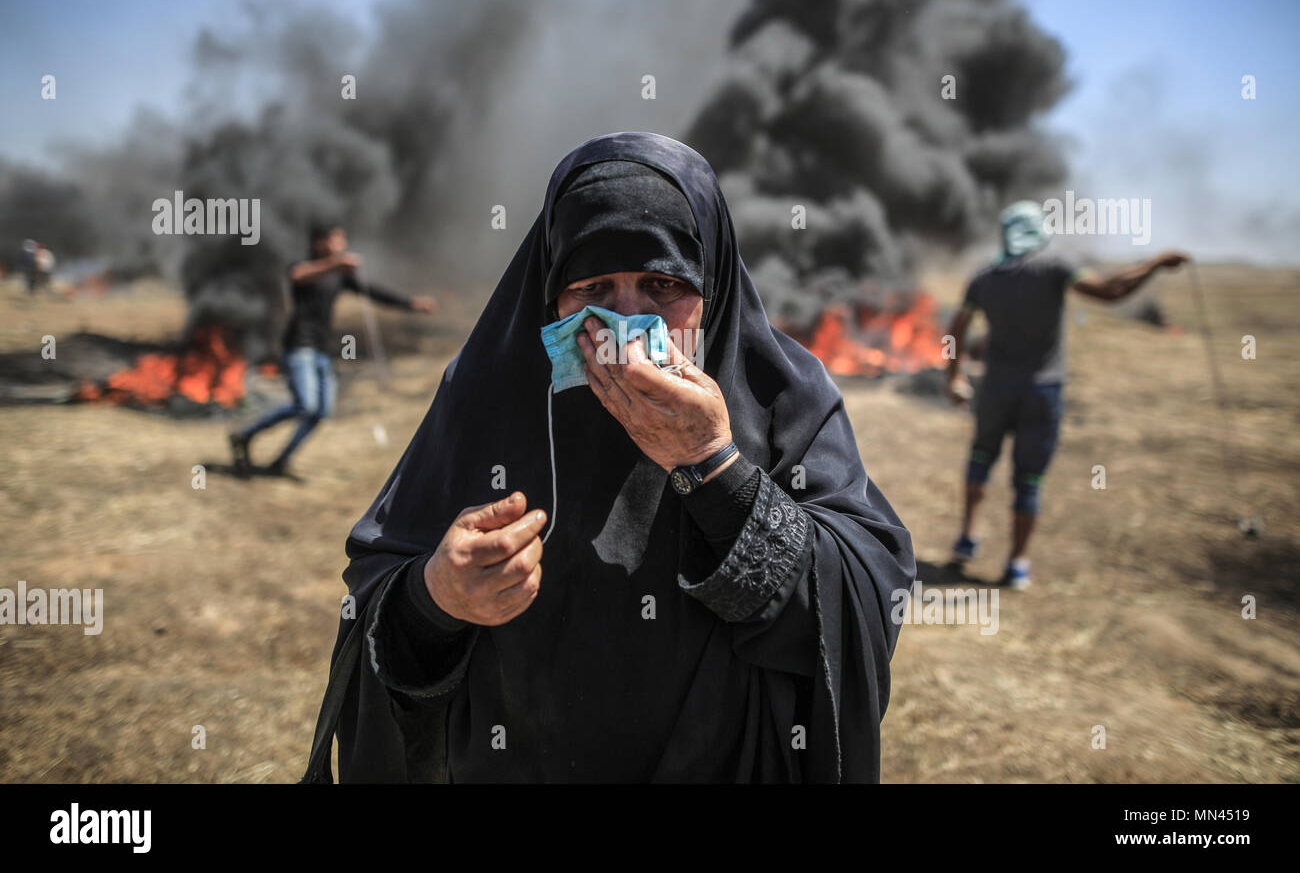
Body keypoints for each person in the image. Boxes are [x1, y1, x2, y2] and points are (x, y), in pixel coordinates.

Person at [303, 132, 915, 784]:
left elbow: (863, 595)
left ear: (710, 286)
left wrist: (714, 466)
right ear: (551, 295)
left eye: (661, 284)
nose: (627, 325)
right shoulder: (488, 394)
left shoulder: (784, 395)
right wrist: (435, 597)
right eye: (594, 286)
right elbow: (378, 601)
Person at [945, 200, 1189, 589]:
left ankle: (967, 539)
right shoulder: (1055, 267)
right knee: (1029, 481)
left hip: (995, 392)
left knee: (979, 461)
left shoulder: (985, 277)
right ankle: (1017, 564)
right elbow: (1110, 292)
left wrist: (953, 376)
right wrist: (1155, 263)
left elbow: (955, 329)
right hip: (1043, 392)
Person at [229, 223, 436, 476]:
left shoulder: (340, 276)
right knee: (305, 405)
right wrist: (336, 265)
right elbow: (298, 276)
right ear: (319, 242)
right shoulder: (304, 267)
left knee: (321, 411)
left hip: (321, 349)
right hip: (299, 346)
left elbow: (375, 293)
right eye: (336, 238)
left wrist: (411, 303)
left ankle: (280, 461)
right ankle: (244, 434)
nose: (342, 243)